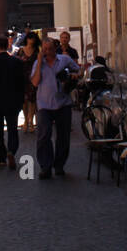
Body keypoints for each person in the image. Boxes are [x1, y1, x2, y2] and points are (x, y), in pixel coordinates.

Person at [31, 37, 80, 178]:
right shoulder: (38, 63)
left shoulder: (64, 60)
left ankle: (59, 165)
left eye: (50, 49)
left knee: (63, 137)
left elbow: (78, 71)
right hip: (44, 105)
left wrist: (74, 76)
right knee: (44, 135)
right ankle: (45, 167)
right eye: (45, 49)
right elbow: (35, 83)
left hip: (63, 103)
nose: (48, 52)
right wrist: (40, 61)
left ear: (55, 48)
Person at [0, 35, 26, 170]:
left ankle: (2, 156)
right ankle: (11, 151)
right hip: (13, 101)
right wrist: (21, 101)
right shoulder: (18, 62)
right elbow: (22, 83)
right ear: (8, 45)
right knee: (12, 129)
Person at [19, 31, 40, 131]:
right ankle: (26, 120)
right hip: (22, 77)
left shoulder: (37, 51)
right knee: (24, 100)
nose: (31, 40)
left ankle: (31, 120)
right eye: (30, 38)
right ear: (26, 39)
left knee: (32, 100)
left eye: (33, 38)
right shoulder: (20, 50)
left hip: (33, 77)